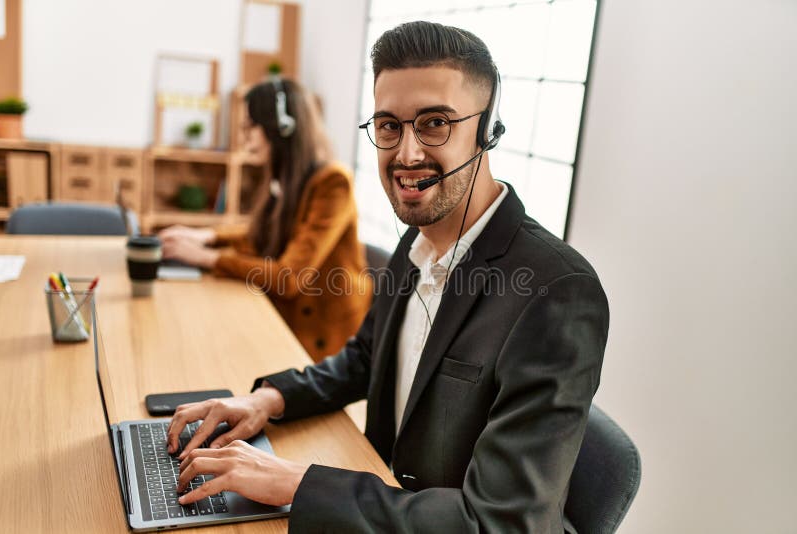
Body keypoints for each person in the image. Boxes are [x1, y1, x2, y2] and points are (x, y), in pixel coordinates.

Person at [166, 21, 609, 533]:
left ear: (487, 130)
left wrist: (297, 482)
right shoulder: (417, 242)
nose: (407, 154)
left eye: (435, 123)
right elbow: (365, 357)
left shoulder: (556, 293)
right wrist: (266, 400)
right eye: (388, 125)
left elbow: (499, 523)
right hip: (386, 500)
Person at [158, 78, 371, 362]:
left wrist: (206, 258)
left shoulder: (333, 183)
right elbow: (263, 233)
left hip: (322, 337)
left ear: (282, 128)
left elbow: (289, 277)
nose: (244, 137)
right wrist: (207, 236)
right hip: (287, 315)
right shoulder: (285, 178)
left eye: (250, 126)